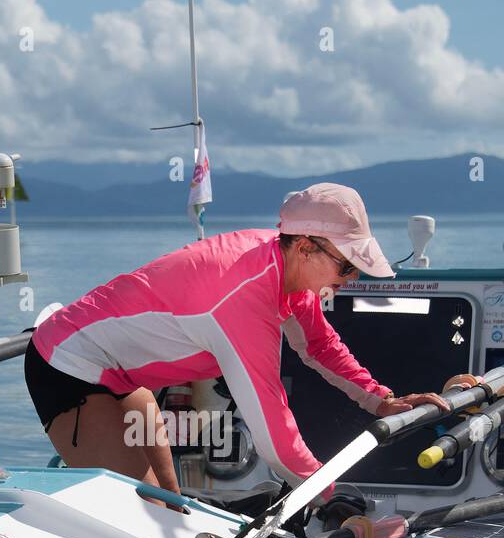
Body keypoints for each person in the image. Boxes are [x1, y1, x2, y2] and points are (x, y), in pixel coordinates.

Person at [24, 182, 449, 502]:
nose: (350, 280)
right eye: (346, 267)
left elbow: (319, 347)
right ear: (304, 247)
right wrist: (331, 497)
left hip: (121, 372)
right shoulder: (242, 299)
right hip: (67, 365)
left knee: (171, 503)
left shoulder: (285, 269)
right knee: (143, 510)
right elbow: (274, 435)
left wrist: (381, 400)